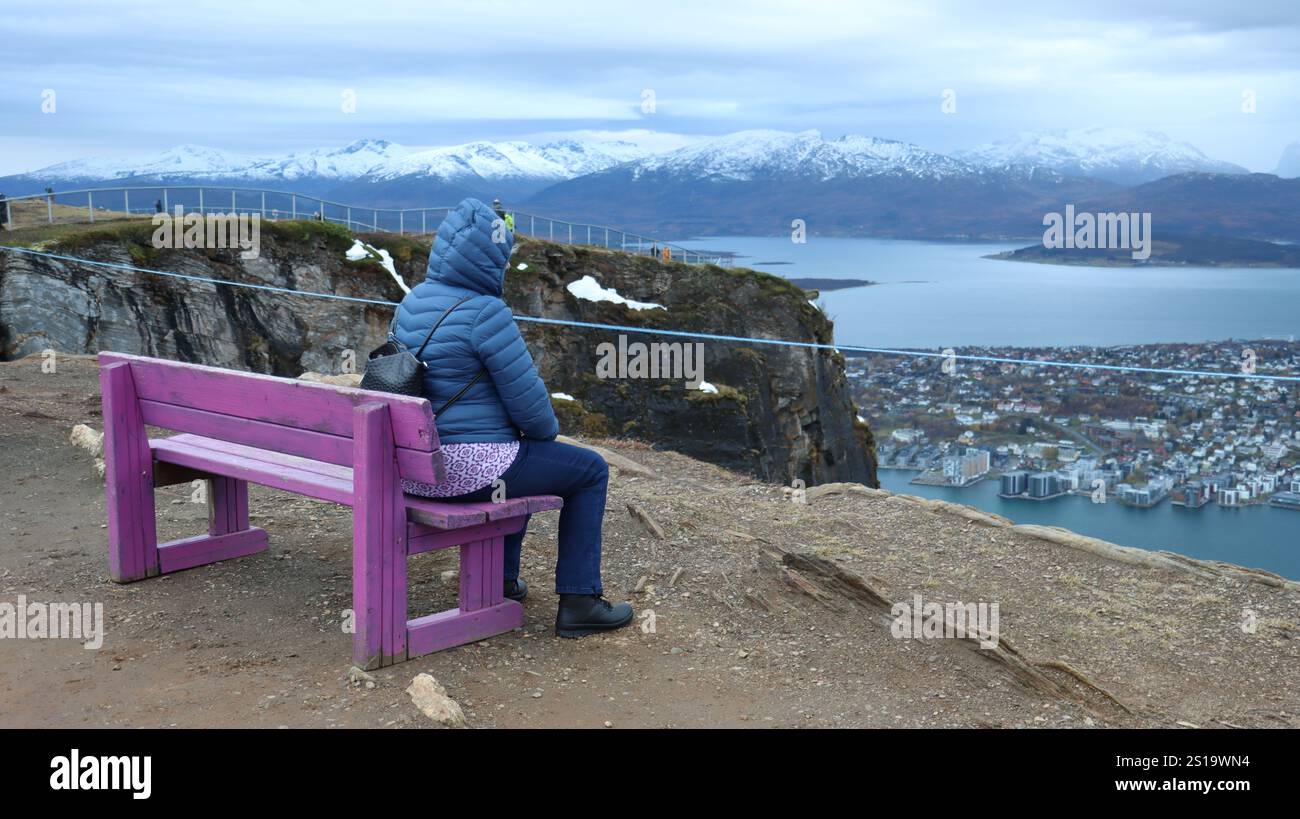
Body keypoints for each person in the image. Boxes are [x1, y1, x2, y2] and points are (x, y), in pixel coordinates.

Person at [392, 198, 633, 638]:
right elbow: (535, 415)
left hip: (412, 470)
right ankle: (580, 600)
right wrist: (538, 431)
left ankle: (501, 579)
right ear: (491, 259)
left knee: (515, 460)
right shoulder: (487, 313)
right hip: (464, 473)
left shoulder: (411, 303)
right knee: (588, 469)